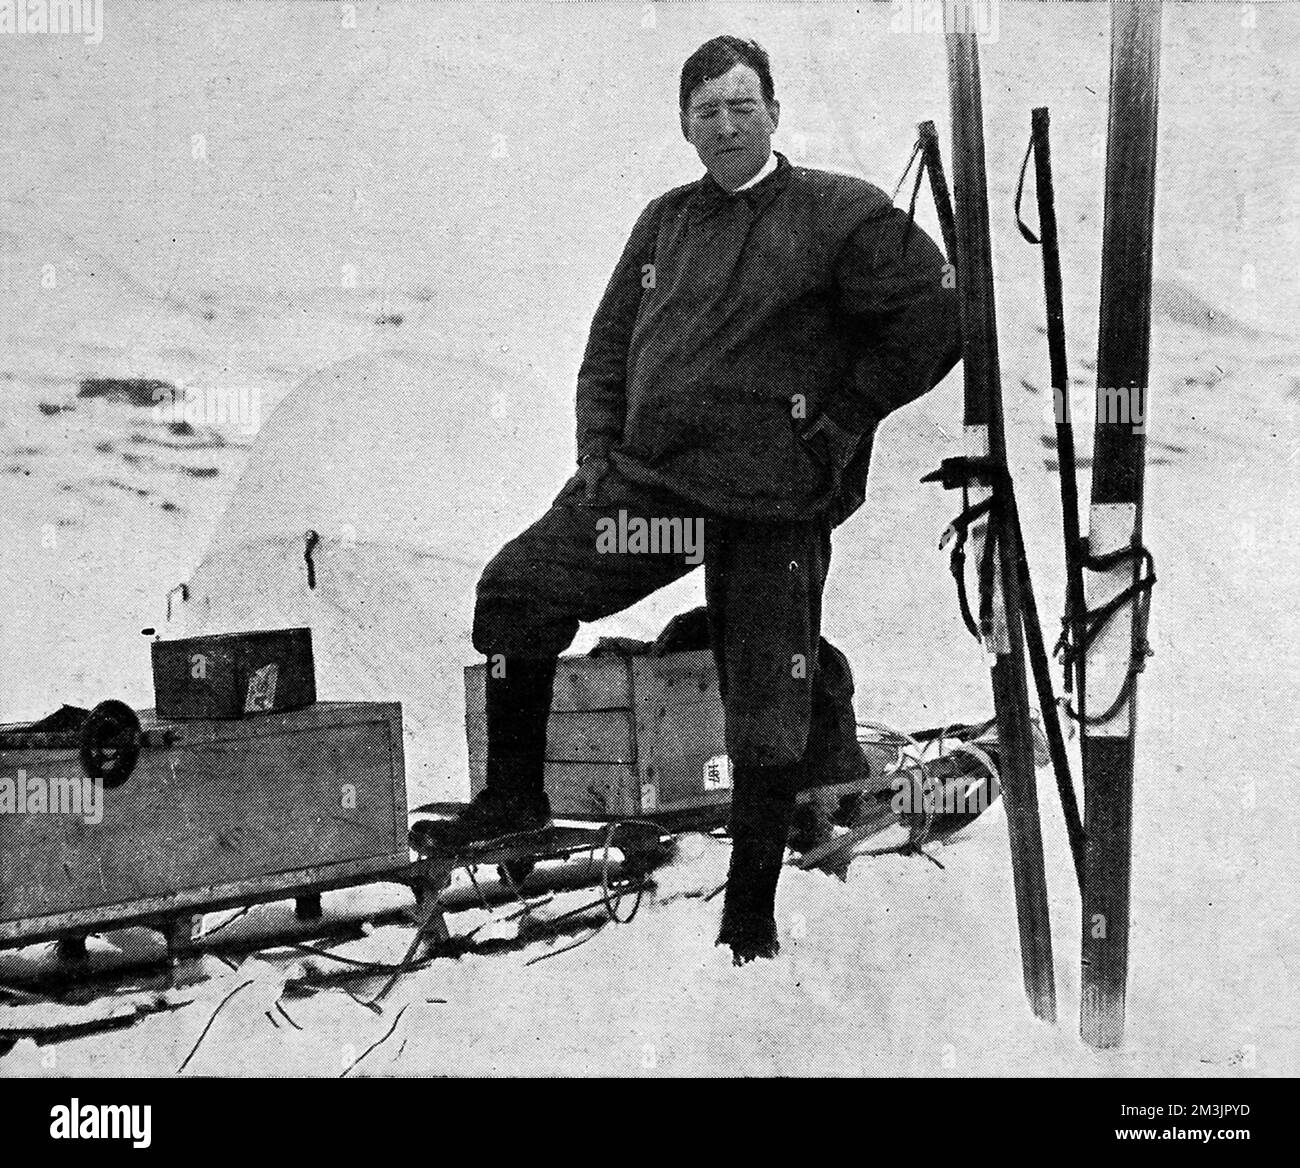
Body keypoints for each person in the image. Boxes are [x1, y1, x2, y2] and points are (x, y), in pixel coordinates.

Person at [419, 36, 960, 964]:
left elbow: (942, 313)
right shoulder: (665, 222)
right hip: (657, 492)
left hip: (770, 501)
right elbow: (606, 351)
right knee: (518, 589)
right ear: (684, 124)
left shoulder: (840, 213)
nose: (724, 124)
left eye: (741, 105)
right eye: (705, 109)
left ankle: (749, 909)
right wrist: (597, 453)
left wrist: (841, 420)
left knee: (765, 687)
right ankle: (515, 799)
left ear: (775, 113)